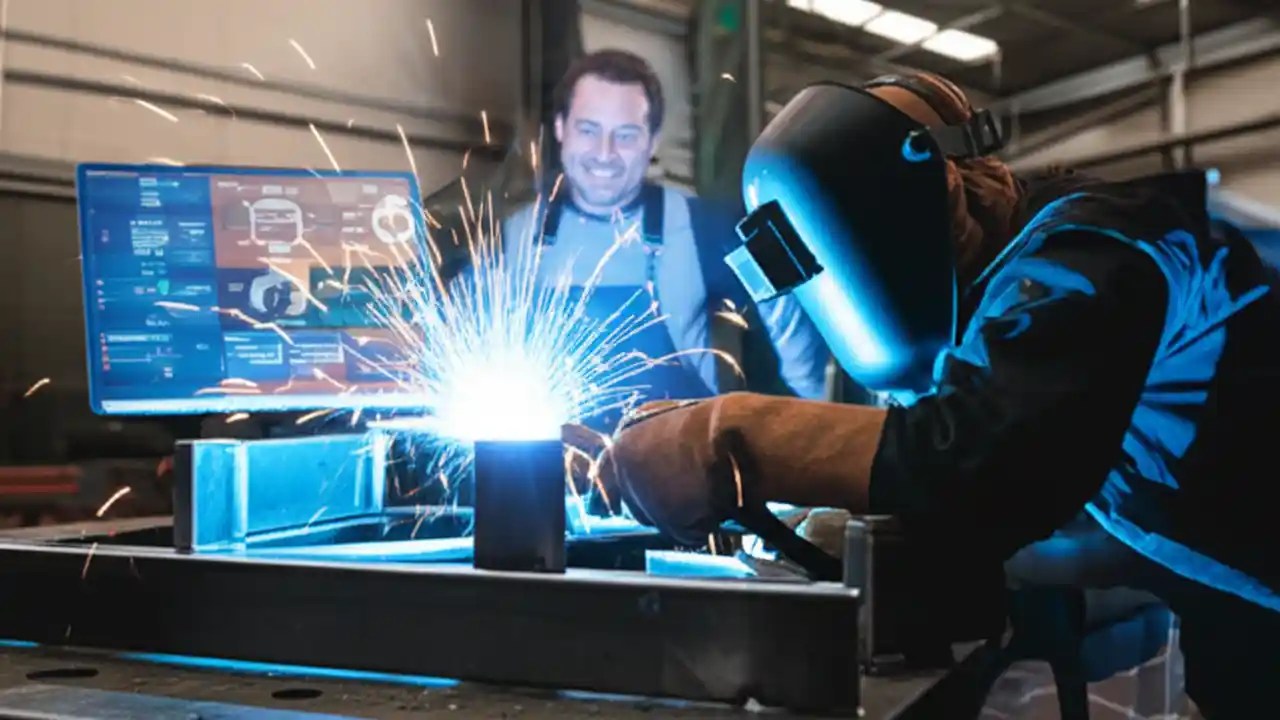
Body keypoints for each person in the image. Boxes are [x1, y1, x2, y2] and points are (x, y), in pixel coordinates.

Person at [584, 72, 1280, 716]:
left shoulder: (1098, 249)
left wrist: (728, 434)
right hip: (1239, 618)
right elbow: (1080, 512)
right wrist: (867, 526)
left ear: (944, 192)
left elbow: (982, 456)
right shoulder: (999, 306)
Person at [502, 49, 831, 435]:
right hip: (547, 476)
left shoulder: (708, 227)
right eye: (588, 130)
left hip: (682, 472)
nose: (605, 154)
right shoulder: (512, 237)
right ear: (560, 129)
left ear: (653, 140)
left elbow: (793, 326)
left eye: (626, 135)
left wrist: (815, 426)